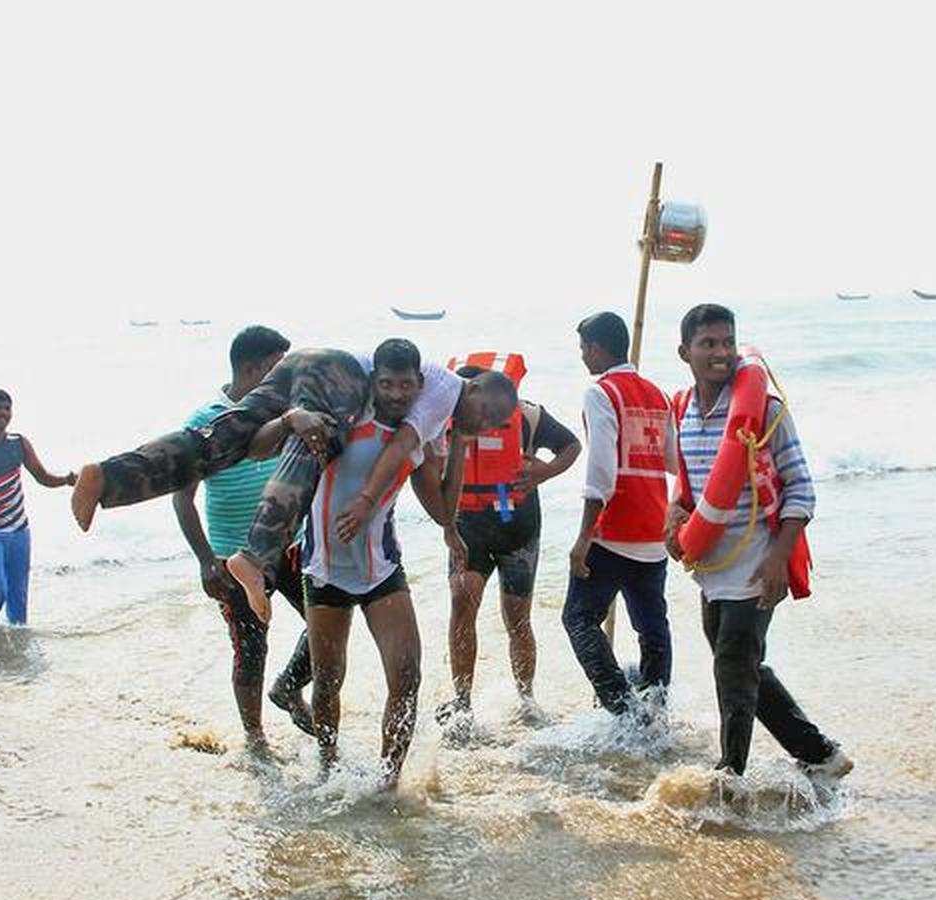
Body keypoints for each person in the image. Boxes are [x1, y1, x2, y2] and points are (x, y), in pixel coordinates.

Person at [71, 341, 517, 625]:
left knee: (223, 440)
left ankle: (106, 478)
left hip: (304, 363)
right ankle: (255, 556)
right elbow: (400, 446)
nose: (486, 425)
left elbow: (438, 504)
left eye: (495, 425)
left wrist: (460, 455)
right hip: (335, 373)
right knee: (320, 438)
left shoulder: (444, 417)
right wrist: (366, 500)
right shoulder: (446, 392)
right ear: (475, 389)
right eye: (486, 413)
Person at [249, 339, 465, 788]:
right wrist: (291, 418)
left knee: (407, 676)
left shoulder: (421, 439)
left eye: (406, 385)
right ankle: (328, 768)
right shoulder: (339, 421)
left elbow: (443, 510)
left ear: (420, 384)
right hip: (324, 570)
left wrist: (459, 439)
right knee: (328, 680)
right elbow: (257, 447)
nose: (397, 394)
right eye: (387, 384)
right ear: (372, 381)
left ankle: (388, 783)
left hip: (382, 570)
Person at [665, 302, 853, 779]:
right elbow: (685, 481)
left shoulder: (765, 411)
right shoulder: (682, 409)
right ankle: (821, 755)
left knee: (732, 664)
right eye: (708, 343)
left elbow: (802, 489)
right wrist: (673, 518)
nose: (721, 352)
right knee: (740, 663)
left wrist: (777, 559)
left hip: (756, 562)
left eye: (728, 342)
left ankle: (729, 777)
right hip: (712, 566)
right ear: (685, 352)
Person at [172, 325, 314, 750]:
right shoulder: (205, 422)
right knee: (250, 648)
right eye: (278, 368)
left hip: (290, 545)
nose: (286, 377)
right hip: (233, 556)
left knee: (326, 623)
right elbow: (182, 498)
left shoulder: (283, 414)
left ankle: (289, 687)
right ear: (253, 369)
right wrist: (205, 561)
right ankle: (256, 739)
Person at [435, 353, 581, 736]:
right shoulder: (442, 417)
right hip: (467, 525)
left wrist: (544, 472)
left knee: (517, 618)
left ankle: (526, 700)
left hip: (518, 526)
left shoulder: (528, 415)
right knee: (461, 604)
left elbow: (570, 445)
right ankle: (462, 704)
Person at [562, 311, 675, 718]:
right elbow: (674, 461)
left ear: (596, 348)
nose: (581, 357)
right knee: (652, 628)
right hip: (654, 531)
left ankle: (624, 711)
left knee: (579, 619)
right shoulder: (659, 395)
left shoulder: (601, 393)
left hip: (613, 532)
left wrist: (583, 538)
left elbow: (601, 473)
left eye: (583, 348)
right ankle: (656, 711)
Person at [0, 389, 76, 627]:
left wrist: (67, 480)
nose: (2, 413)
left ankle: (18, 641)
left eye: (7, 408)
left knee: (18, 599)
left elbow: (42, 476)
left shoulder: (19, 442)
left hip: (19, 530)